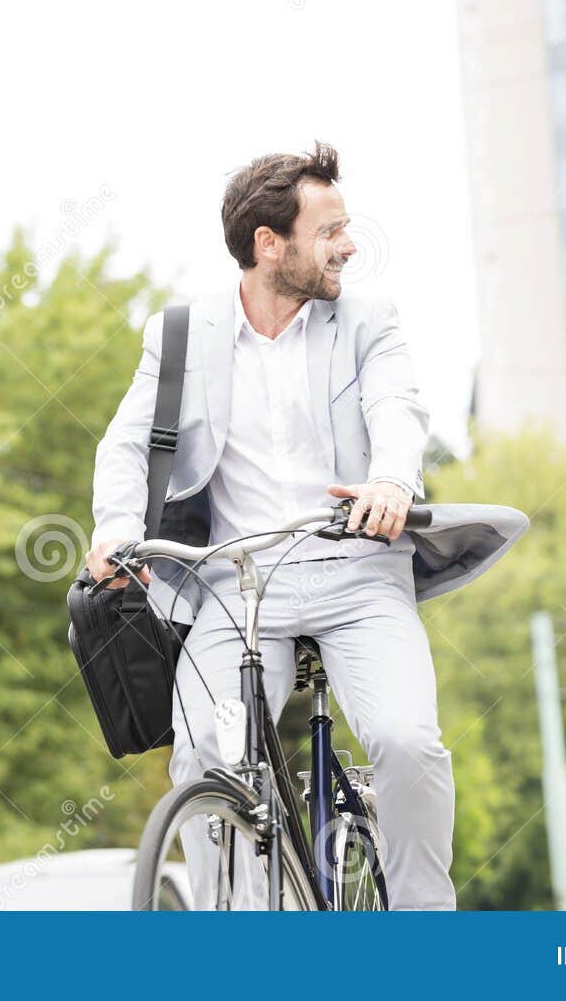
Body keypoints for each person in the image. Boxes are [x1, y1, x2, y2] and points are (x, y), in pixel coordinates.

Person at [86, 142, 455, 909]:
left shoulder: (367, 320)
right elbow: (124, 441)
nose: (350, 244)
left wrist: (390, 478)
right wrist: (114, 530)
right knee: (203, 758)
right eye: (331, 230)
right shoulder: (182, 334)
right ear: (269, 243)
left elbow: (398, 407)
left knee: (407, 743)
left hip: (358, 577)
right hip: (237, 588)